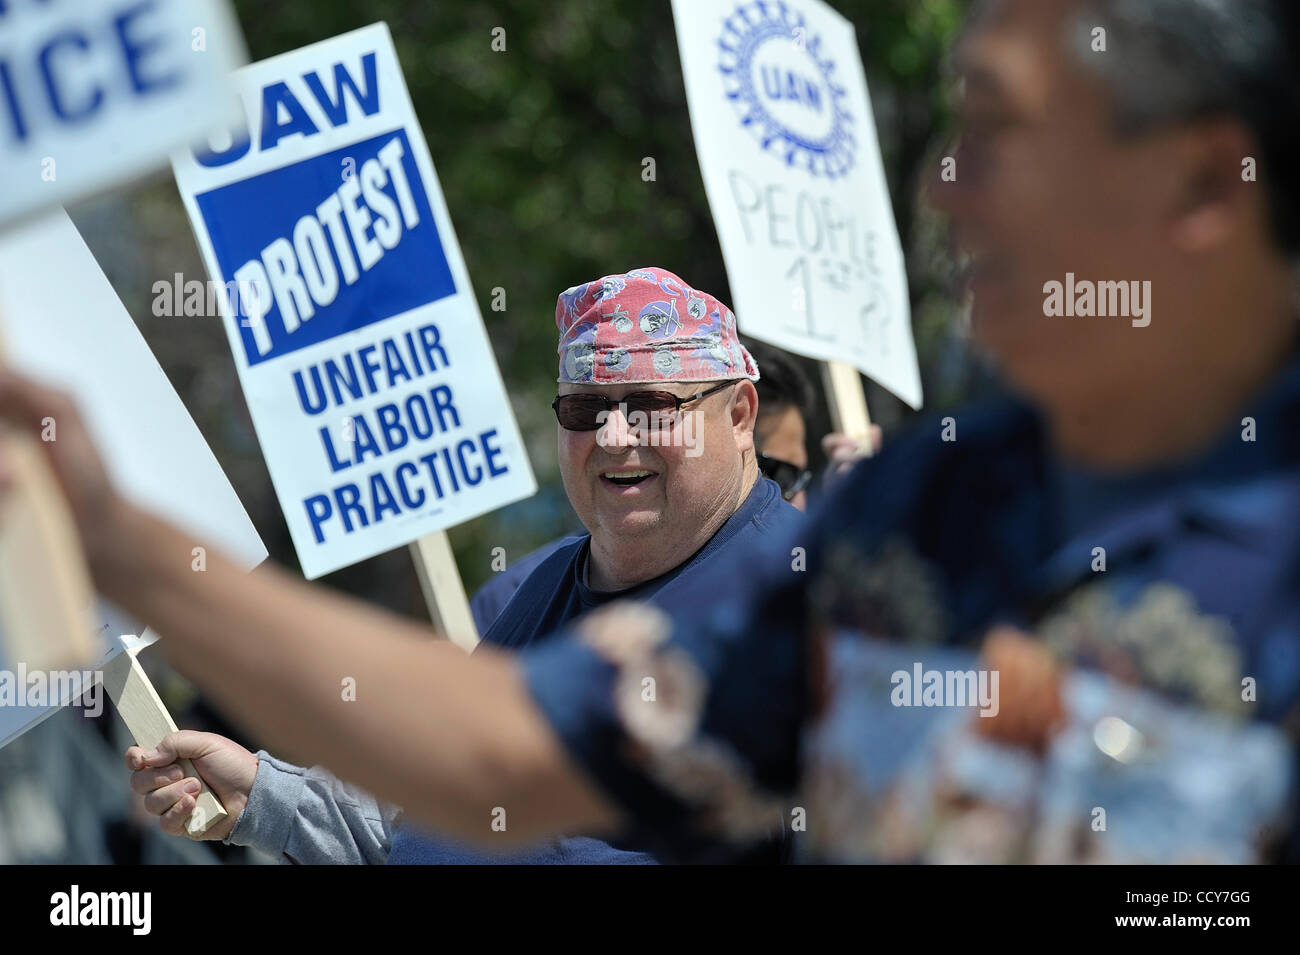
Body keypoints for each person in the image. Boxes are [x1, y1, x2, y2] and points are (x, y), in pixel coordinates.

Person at [4, 0, 1299, 863]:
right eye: (586, 406)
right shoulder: (907, 523)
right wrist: (114, 532)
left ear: (1201, 180)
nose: (943, 188)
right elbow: (510, 750)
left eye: (996, 133)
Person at [111, 266, 801, 864]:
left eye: (651, 406)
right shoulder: (544, 582)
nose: (615, 438)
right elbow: (438, 802)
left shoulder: (801, 604)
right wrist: (265, 793)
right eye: (585, 408)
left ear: (740, 414)